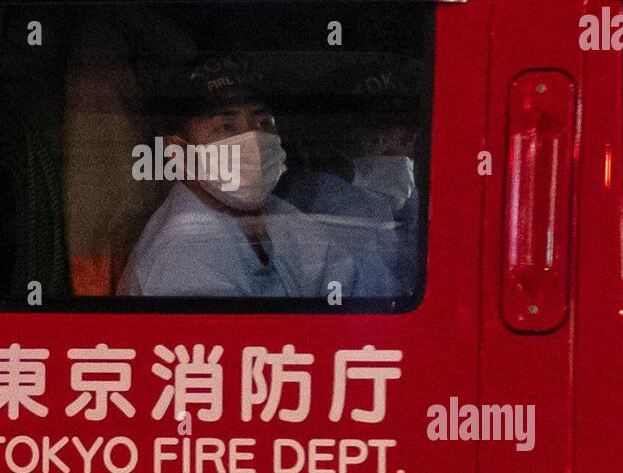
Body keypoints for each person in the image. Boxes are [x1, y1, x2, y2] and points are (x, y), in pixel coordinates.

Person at [118, 55, 361, 298]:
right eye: (226, 127)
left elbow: (353, 289)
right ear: (179, 152)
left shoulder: (281, 217)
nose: (254, 139)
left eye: (263, 121)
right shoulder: (182, 250)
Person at [280, 64, 423, 299]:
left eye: (405, 133)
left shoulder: (416, 205)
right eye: (375, 133)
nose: (403, 146)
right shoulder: (333, 203)